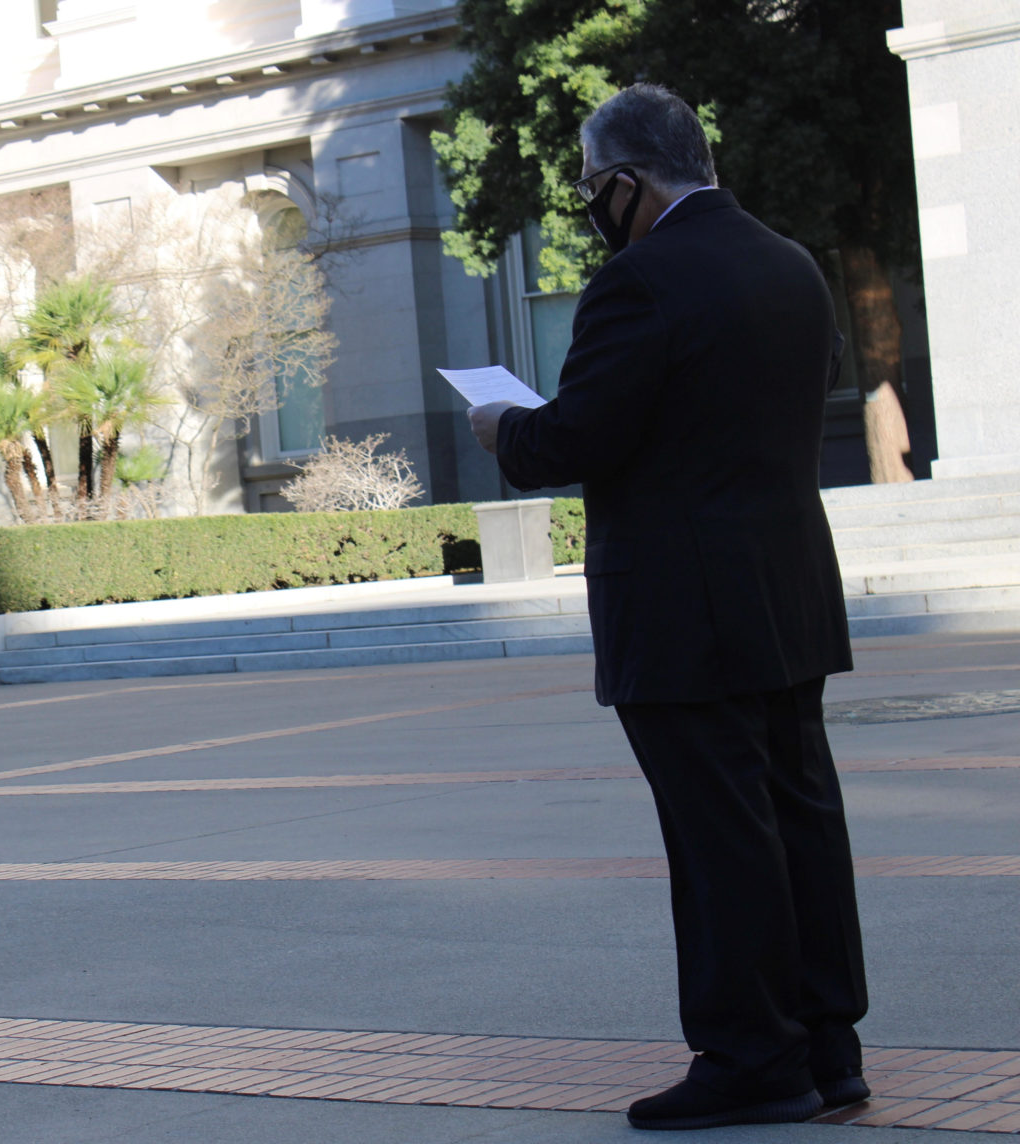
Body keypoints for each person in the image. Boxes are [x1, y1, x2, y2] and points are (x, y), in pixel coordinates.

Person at [467, 85, 868, 1130]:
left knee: (721, 837)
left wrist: (502, 424)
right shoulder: (792, 265)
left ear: (628, 181)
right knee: (799, 820)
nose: (592, 210)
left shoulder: (637, 284)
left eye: (593, 189)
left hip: (686, 608)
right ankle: (830, 1042)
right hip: (788, 591)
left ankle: (752, 1057)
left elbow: (573, 441)